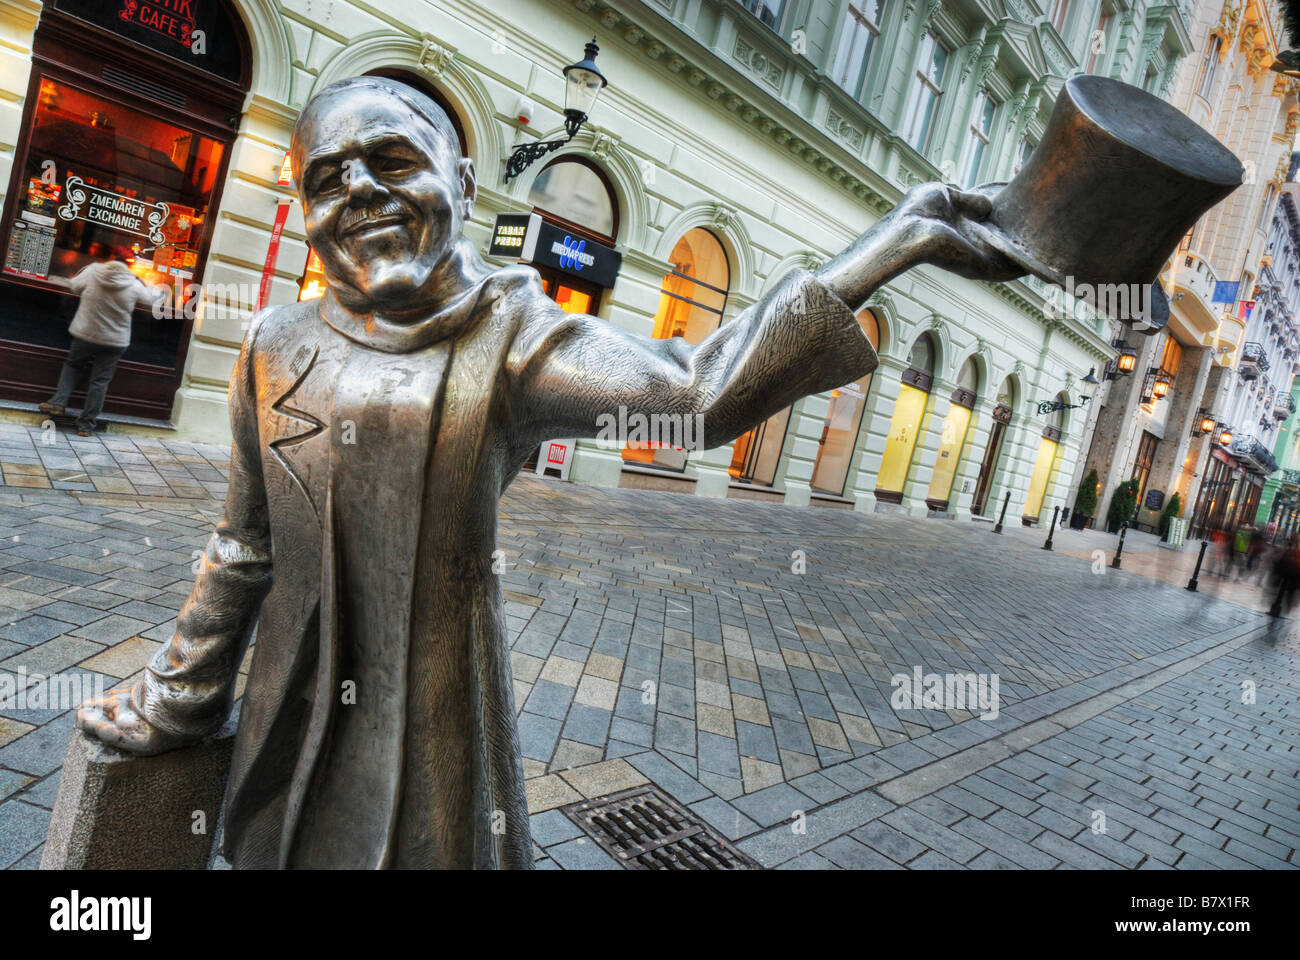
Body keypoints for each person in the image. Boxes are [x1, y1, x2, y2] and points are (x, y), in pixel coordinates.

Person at [73, 77, 1023, 869]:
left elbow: (688, 397)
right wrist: (180, 693)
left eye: (393, 161)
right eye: (328, 179)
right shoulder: (275, 341)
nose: (359, 189)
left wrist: (890, 246)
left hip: (432, 725)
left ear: (464, 177)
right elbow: (243, 542)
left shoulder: (516, 333)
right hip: (293, 703)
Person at [38, 256, 163, 436]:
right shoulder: (133, 284)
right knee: (100, 381)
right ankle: (86, 426)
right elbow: (151, 303)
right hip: (115, 341)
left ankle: (59, 401)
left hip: (86, 334)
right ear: (128, 269)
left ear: (108, 263)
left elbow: (74, 286)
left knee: (73, 365)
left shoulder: (92, 272)